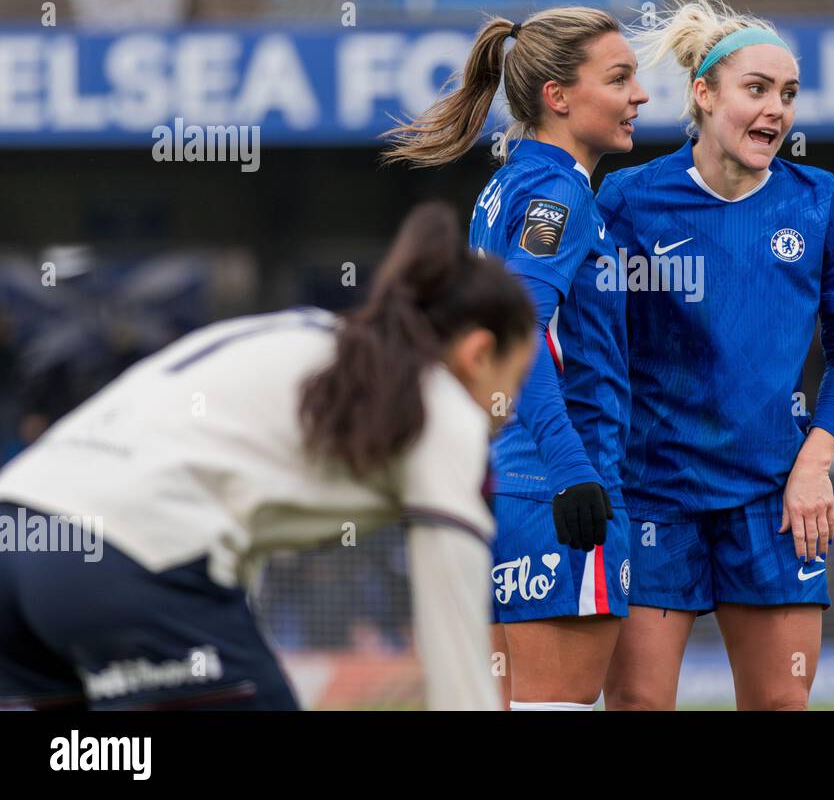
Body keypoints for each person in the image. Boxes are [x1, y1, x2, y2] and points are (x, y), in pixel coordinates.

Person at [0, 203, 534, 711]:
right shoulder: (439, 406)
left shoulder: (306, 333)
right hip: (125, 556)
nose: (509, 410)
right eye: (517, 378)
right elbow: (456, 642)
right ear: (478, 354)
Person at [598, 0, 834, 710]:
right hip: (654, 491)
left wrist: (814, 461)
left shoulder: (820, 203)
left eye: (788, 94)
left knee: (781, 704)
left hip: (775, 495)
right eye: (756, 90)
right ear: (703, 94)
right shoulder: (628, 200)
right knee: (639, 705)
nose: (776, 110)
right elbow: (591, 341)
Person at [384, 7, 648, 710]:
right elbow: (519, 330)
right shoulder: (557, 192)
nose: (640, 96)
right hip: (560, 485)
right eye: (619, 78)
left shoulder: (505, 186)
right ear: (558, 96)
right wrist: (570, 471)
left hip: (505, 482)